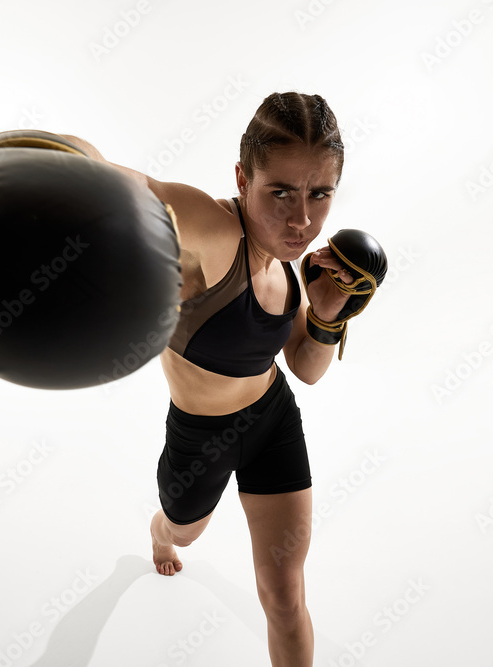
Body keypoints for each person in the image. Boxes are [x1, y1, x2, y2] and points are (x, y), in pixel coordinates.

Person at [61, 92, 358, 667]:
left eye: (319, 194)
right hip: (200, 438)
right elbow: (110, 184)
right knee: (183, 534)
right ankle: (159, 530)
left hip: (273, 421)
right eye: (280, 192)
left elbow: (306, 369)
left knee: (284, 593)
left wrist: (325, 315)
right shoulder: (211, 232)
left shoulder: (292, 268)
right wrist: (29, 157)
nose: (302, 219)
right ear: (243, 179)